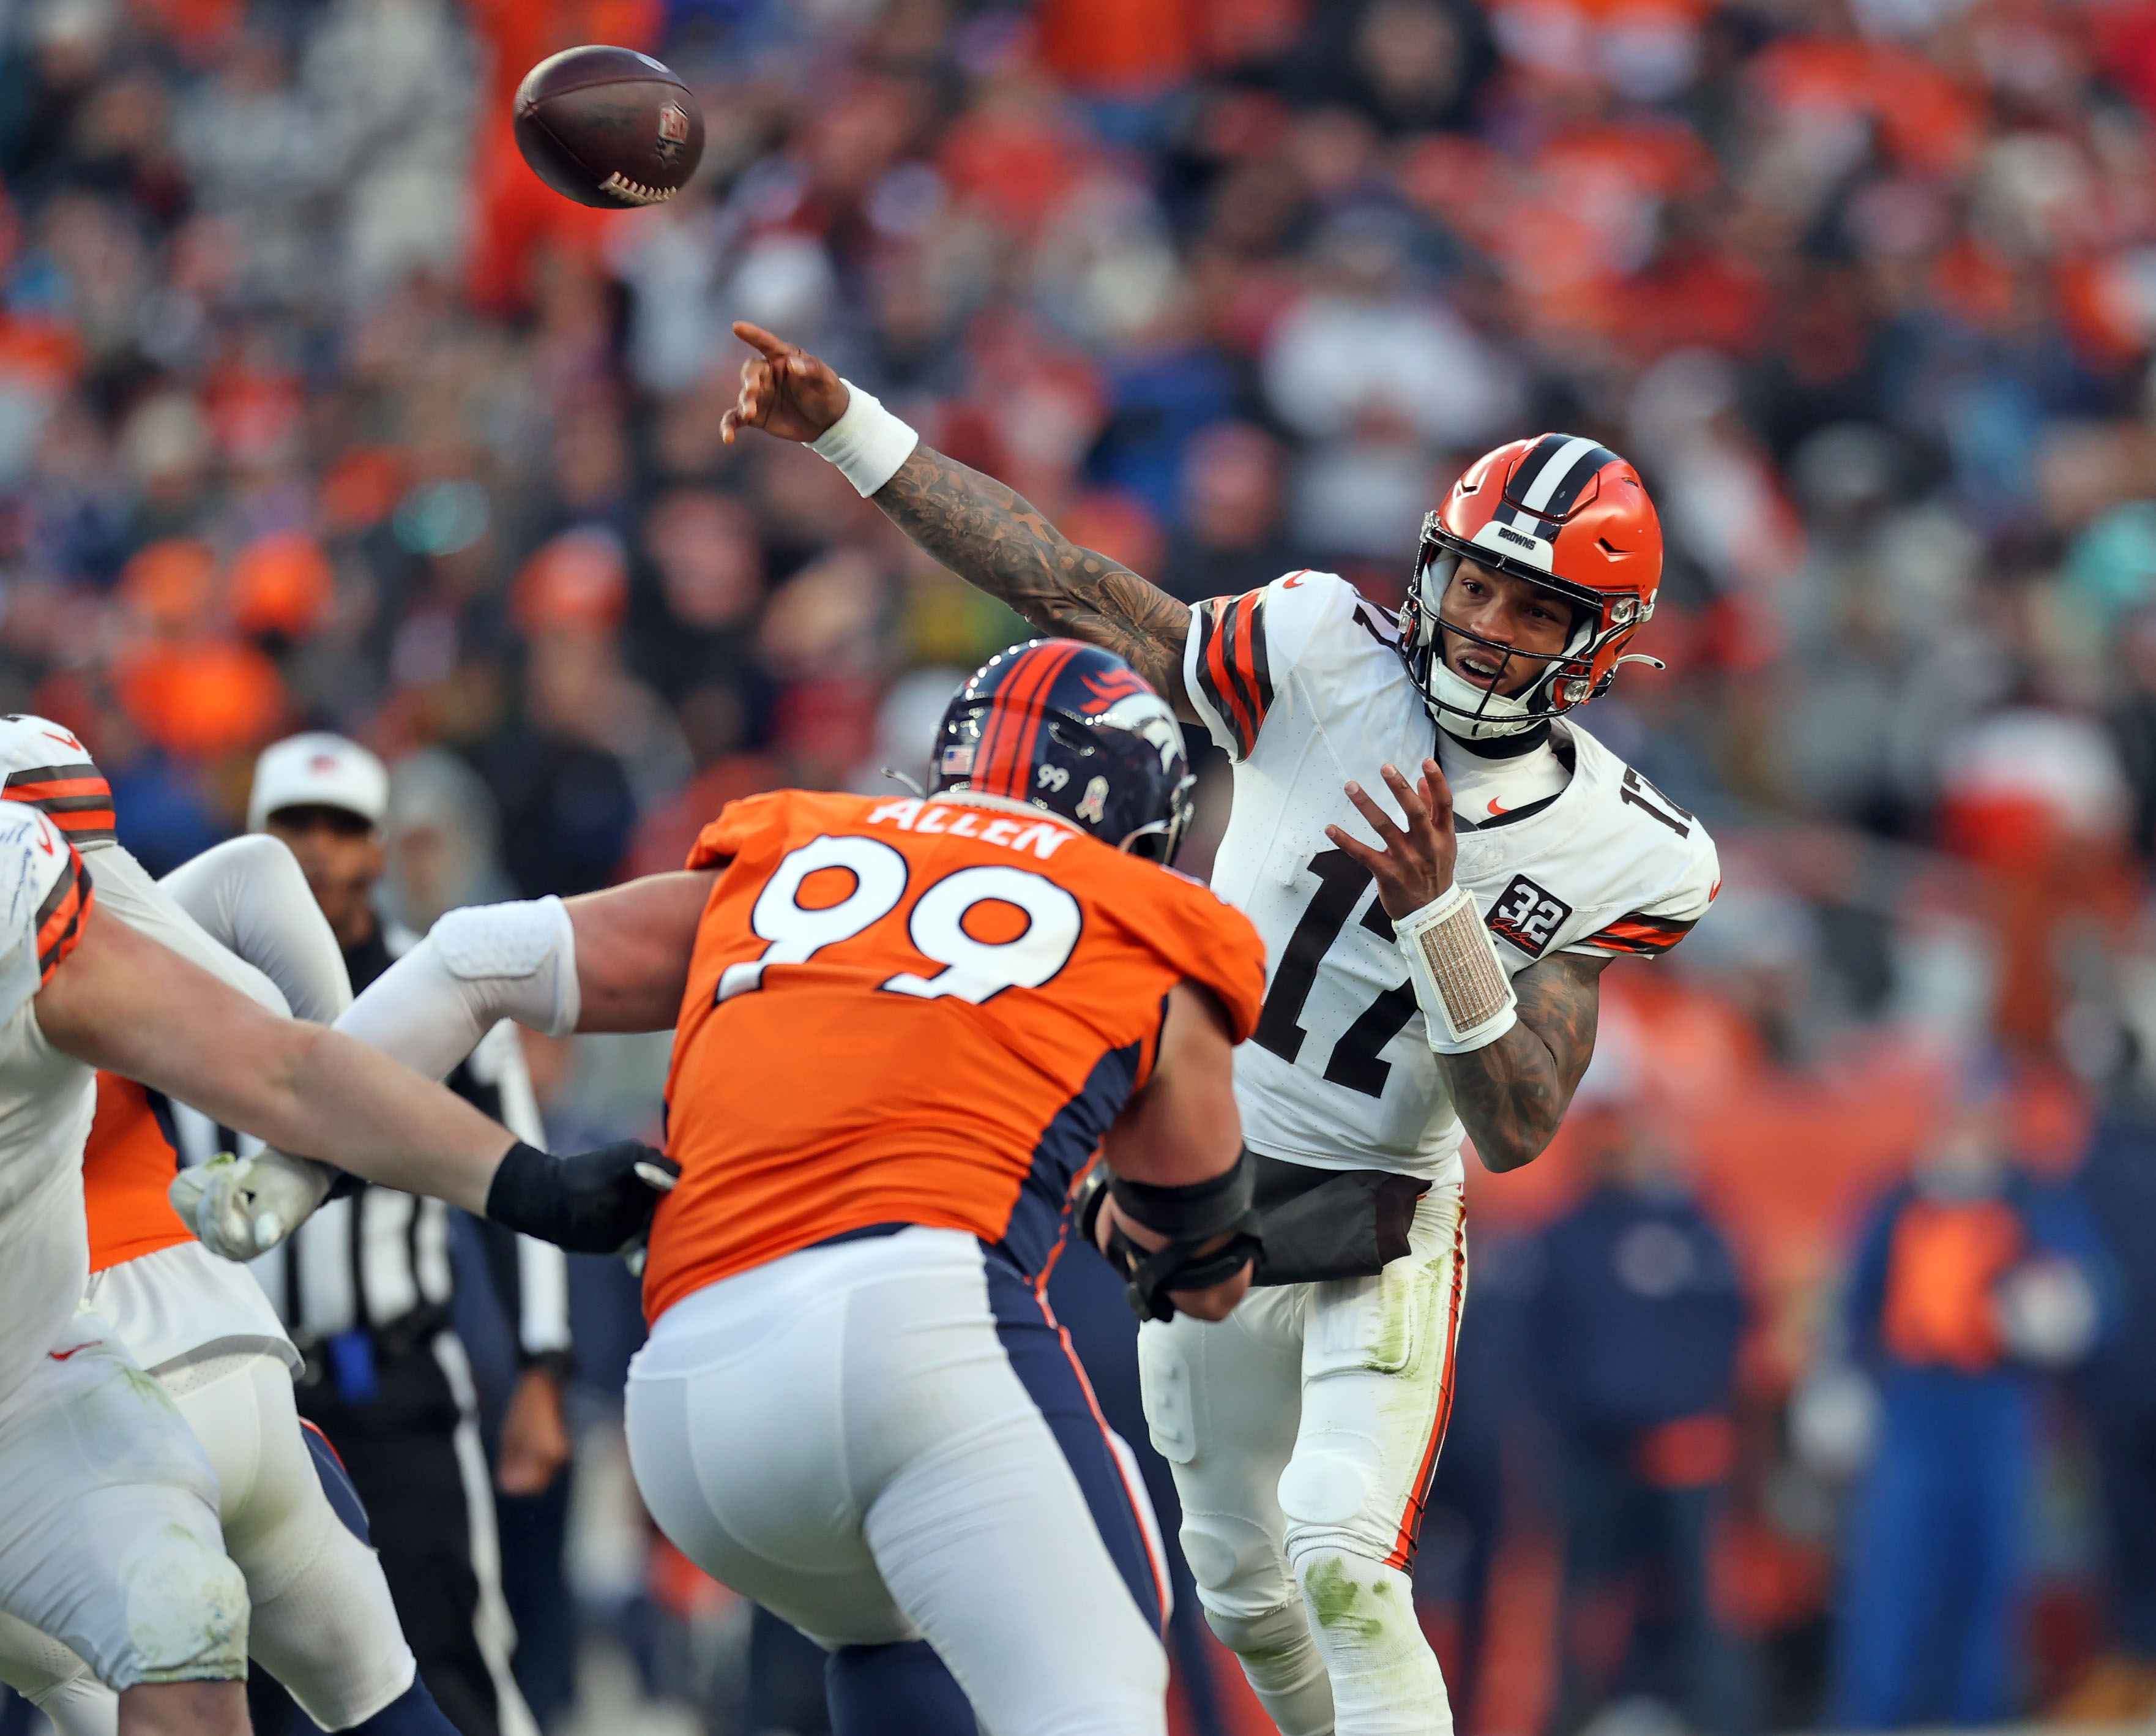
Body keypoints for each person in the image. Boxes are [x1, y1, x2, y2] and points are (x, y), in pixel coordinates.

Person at [717, 322, 1721, 1734]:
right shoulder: (1319, 652)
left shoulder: (1623, 844)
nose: (1492, 623)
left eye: (1536, 608)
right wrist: (847, 429)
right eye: (1479, 581)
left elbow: (1514, 1124)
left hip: (1379, 1224)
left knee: (1338, 1558)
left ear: (1597, 646)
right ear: (1431, 566)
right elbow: (1070, 585)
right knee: (1241, 1589)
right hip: (1200, 1202)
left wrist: (1441, 917)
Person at [194, 640, 1272, 1736]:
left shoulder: (797, 843)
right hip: (925, 1335)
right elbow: (1203, 1266)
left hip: (696, 1402)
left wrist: (288, 1174)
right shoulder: (1152, 920)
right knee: (1103, 1688)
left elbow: (475, 954)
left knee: (883, 1639)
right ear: (1144, 828)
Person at [0, 764, 673, 1736]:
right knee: (350, 1685)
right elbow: (284, 1014)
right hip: (163, 1372)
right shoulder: (75, 920)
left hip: (102, 1383)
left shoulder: (64, 928)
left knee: (212, 1679)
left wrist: (321, 1164)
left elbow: (292, 1053)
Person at [0, 717, 460, 1736]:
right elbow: (258, 872)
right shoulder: (116, 938)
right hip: (231, 1351)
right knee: (386, 1699)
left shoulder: (52, 940)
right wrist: (305, 1164)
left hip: (72, 1399)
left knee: (110, 1699)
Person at [226, 733, 563, 1736]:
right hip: (240, 1401)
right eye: (295, 825)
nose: (318, 851)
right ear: (254, 842)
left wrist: (542, 1366)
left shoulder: (438, 995)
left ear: (381, 847)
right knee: (230, 1686)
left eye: (342, 828)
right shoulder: (196, 999)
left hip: (398, 1392)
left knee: (451, 1660)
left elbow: (523, 1181)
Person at [1828, 1080, 2109, 1729]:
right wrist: (1840, 1378)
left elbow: (2092, 1287)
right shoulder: (1896, 1198)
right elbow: (1856, 1299)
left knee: (1992, 1573)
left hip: (1997, 1403)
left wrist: (2066, 1304)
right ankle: (1873, 1711)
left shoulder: (2031, 1198)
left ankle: (1974, 1711)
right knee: (1894, 1572)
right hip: (1913, 1403)